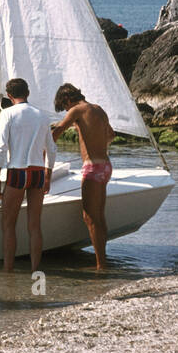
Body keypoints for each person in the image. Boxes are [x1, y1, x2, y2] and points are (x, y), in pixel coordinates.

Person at [0, 78, 56, 273]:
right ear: (27, 93)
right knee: (34, 226)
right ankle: (36, 270)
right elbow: (51, 149)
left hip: (17, 172)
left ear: (9, 96)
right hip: (37, 172)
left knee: (8, 224)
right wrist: (49, 173)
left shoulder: (8, 114)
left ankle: (8, 271)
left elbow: (1, 147)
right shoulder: (43, 116)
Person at [52, 83, 115, 270]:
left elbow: (56, 132)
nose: (66, 110)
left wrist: (40, 150)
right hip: (105, 165)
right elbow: (111, 135)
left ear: (67, 99)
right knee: (99, 217)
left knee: (89, 217)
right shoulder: (98, 109)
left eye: (64, 107)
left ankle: (100, 265)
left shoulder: (77, 110)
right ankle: (102, 260)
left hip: (92, 168)